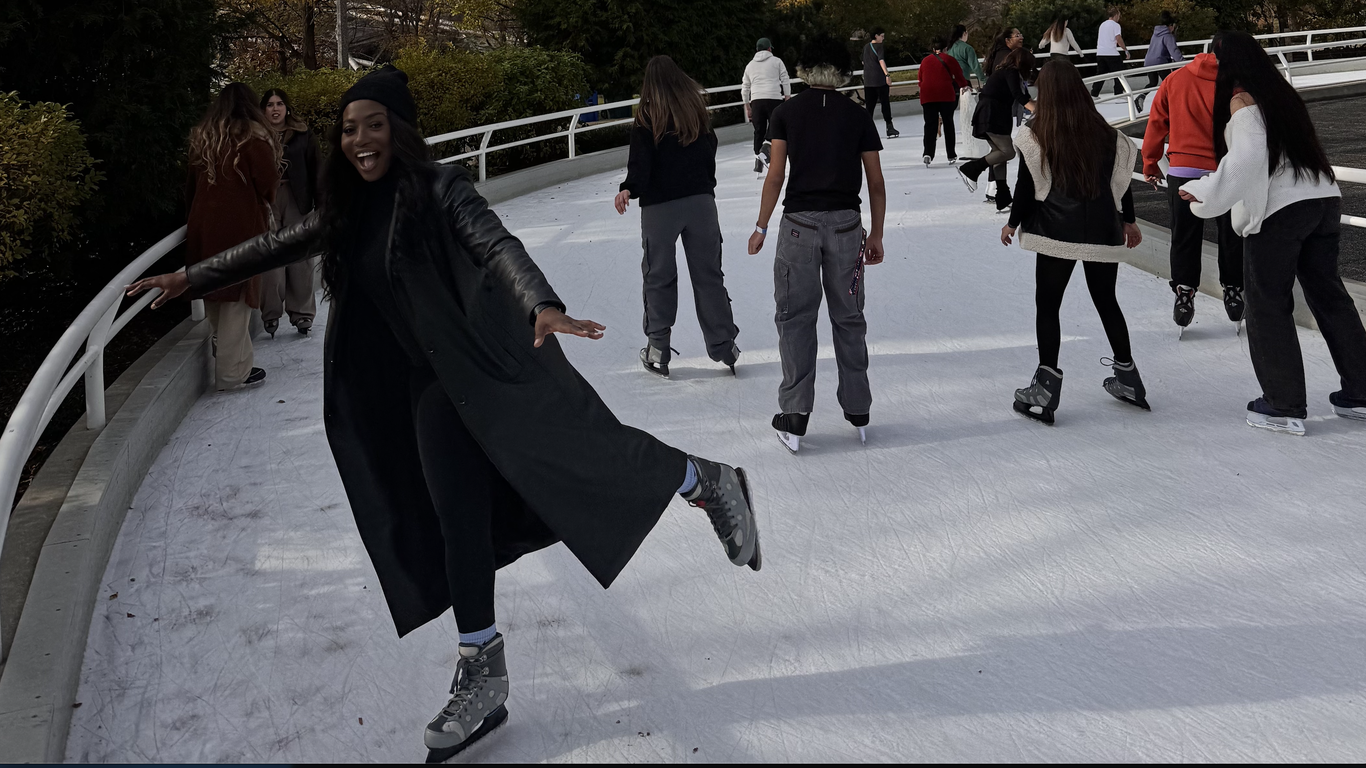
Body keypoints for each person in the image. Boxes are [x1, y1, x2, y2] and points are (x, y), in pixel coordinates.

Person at [127, 66, 763, 761]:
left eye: (374, 125)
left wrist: (542, 305)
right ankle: (481, 673)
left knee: (584, 455)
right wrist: (190, 276)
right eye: (348, 128)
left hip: (488, 367)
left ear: (398, 131)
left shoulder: (440, 187)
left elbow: (496, 246)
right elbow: (279, 243)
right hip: (429, 385)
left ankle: (704, 480)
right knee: (455, 522)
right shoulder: (347, 209)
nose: (360, 140)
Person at [1179, 32, 1366, 436]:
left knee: (1266, 302)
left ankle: (1283, 404)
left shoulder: (1241, 101)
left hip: (1281, 210)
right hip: (1324, 199)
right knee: (1330, 297)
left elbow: (1245, 162)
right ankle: (1362, 392)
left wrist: (1201, 195)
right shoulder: (1283, 97)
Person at [748, 35, 886, 452]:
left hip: (798, 228)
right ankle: (858, 409)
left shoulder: (787, 113)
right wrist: (876, 233)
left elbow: (775, 176)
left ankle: (794, 414)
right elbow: (875, 182)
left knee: (795, 318)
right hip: (846, 226)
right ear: (842, 71)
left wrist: (760, 226)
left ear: (804, 69)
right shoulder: (858, 115)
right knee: (849, 318)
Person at [1001, 60, 1146, 425]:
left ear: (1045, 93)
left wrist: (1012, 222)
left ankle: (1045, 386)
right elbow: (1121, 183)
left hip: (1055, 232)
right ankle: (1129, 378)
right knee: (1107, 302)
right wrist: (1128, 221)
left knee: (1048, 306)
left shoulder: (1036, 135)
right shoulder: (1109, 135)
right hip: (1102, 230)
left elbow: (1025, 187)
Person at [615, 55, 741, 378]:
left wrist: (629, 189)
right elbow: (709, 147)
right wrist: (703, 183)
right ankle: (725, 345)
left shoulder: (646, 116)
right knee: (709, 275)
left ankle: (657, 348)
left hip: (660, 208)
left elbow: (640, 163)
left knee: (658, 275)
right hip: (701, 204)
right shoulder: (694, 110)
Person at [1140, 34, 1244, 332]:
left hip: (1184, 171)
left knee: (1184, 234)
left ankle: (1185, 292)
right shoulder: (1238, 84)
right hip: (1226, 170)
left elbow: (1157, 123)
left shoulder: (1175, 79)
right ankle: (1234, 291)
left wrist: (1150, 163)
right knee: (1232, 232)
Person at [184, 83, 278, 391]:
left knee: (213, 291)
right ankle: (232, 374)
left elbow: (189, 186)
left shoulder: (203, 137)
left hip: (202, 225)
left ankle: (225, 351)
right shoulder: (252, 137)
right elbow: (267, 182)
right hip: (240, 227)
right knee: (238, 300)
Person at [259, 88, 321, 338]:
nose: (275, 109)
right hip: (267, 200)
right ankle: (271, 314)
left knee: (299, 256)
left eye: (280, 104)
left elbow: (317, 168)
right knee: (269, 256)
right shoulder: (255, 134)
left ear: (287, 108)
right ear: (263, 109)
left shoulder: (302, 134)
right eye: (270, 104)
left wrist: (322, 202)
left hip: (297, 198)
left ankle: (302, 314)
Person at [959, 48, 1038, 212]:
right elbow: (1019, 96)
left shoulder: (1006, 72)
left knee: (999, 155)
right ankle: (971, 168)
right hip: (991, 113)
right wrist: (1037, 110)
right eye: (1029, 66)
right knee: (1008, 152)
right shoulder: (1011, 72)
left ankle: (1002, 197)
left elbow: (1022, 95)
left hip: (996, 114)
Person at [742, 37, 791, 174]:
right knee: (777, 128)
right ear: (769, 49)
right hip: (774, 98)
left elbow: (745, 87)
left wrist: (747, 105)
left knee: (759, 131)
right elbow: (785, 78)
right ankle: (768, 152)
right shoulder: (777, 61)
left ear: (757, 49)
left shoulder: (750, 65)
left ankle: (759, 160)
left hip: (756, 100)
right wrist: (787, 96)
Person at [919, 37, 970, 166]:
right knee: (948, 123)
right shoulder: (949, 59)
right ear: (946, 49)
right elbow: (959, 75)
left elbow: (920, 79)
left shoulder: (925, 61)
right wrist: (964, 85)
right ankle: (951, 154)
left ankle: (928, 153)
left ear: (933, 49)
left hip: (927, 95)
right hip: (945, 95)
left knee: (930, 124)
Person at [1137, 11, 1182, 111]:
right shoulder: (1168, 36)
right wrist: (1183, 62)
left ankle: (1141, 96)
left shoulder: (1156, 34)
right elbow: (1174, 51)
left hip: (1149, 62)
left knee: (1153, 82)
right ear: (1170, 26)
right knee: (1169, 83)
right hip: (1160, 63)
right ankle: (1170, 105)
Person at [862, 27, 900, 138]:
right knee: (885, 104)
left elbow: (863, 61)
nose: (883, 38)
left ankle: (866, 130)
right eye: (881, 36)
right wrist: (887, 75)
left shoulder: (866, 47)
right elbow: (881, 60)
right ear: (876, 36)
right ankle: (889, 127)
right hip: (879, 80)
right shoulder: (879, 47)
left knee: (869, 106)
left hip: (868, 81)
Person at [1091, 7, 1129, 98]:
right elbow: (1118, 38)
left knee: (1100, 75)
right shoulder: (1115, 25)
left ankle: (1094, 94)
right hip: (1111, 53)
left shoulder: (1102, 24)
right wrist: (1125, 49)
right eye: (1119, 16)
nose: (1119, 18)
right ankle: (1118, 94)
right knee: (1119, 74)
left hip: (1100, 53)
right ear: (1115, 15)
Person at [946, 23, 986, 88]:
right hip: (963, 81)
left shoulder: (949, 48)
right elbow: (975, 66)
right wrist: (984, 80)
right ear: (964, 33)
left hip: (950, 82)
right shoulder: (967, 48)